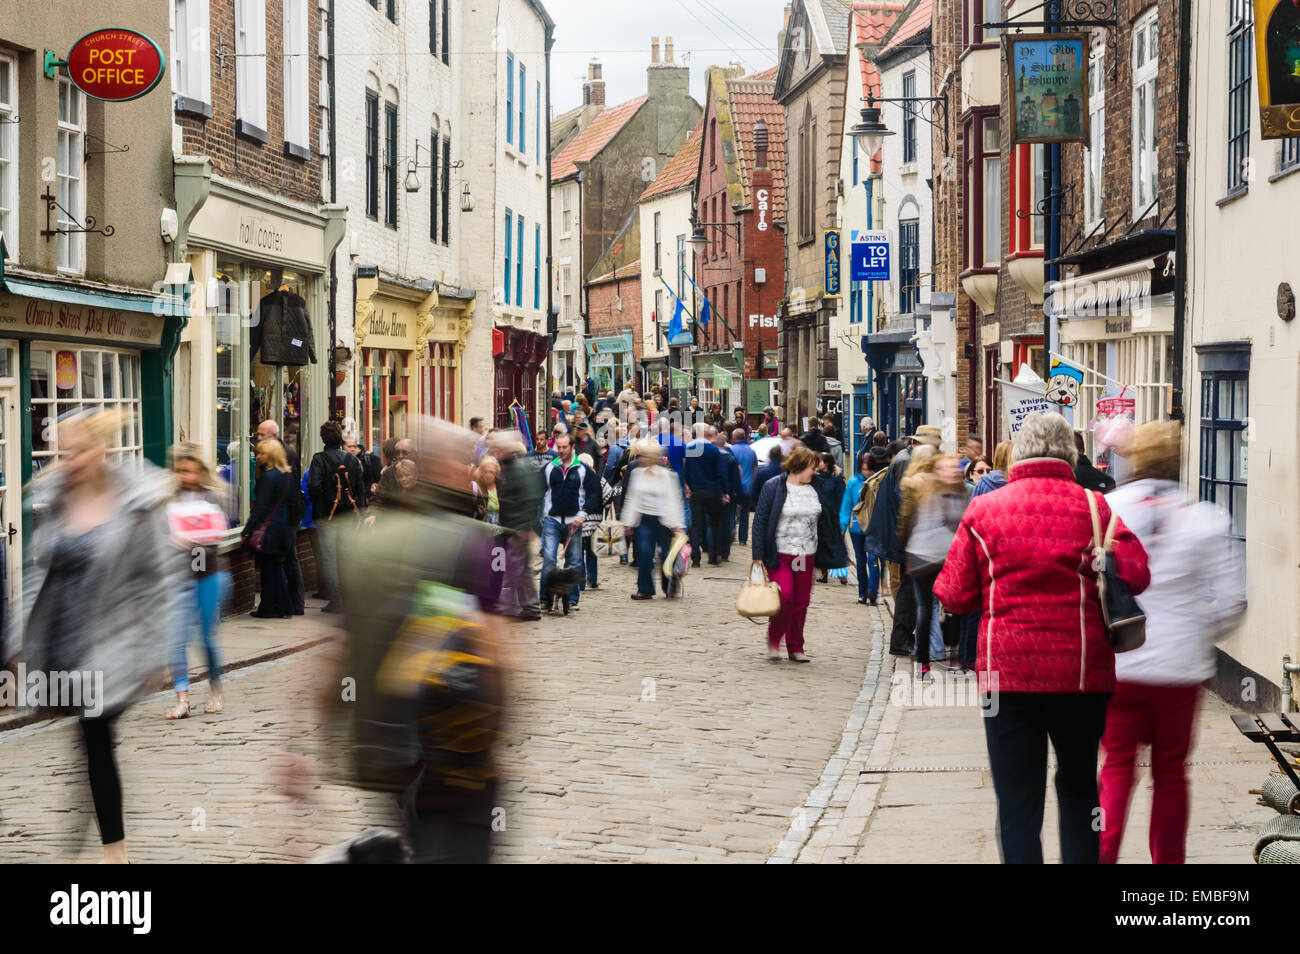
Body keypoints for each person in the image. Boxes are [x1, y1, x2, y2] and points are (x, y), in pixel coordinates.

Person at [934, 411, 1150, 864]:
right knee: (1078, 789)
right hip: (1081, 672)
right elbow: (1138, 573)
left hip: (1005, 673)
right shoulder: (1096, 508)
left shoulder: (983, 509)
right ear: (1070, 454)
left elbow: (954, 595)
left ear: (1018, 451)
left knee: (1017, 798)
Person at [336, 417, 506, 862]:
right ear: (451, 470)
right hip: (453, 747)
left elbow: (338, 652)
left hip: (384, 745)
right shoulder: (473, 544)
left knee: (411, 836)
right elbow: (496, 652)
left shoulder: (365, 544)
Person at [8, 410, 173, 864]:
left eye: (79, 450)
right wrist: (17, 639)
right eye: (65, 451)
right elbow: (39, 576)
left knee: (94, 737)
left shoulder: (136, 504)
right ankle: (92, 843)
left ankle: (112, 853)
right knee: (88, 743)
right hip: (62, 642)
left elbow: (156, 582)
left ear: (102, 449)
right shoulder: (58, 497)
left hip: (111, 645)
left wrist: (159, 652)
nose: (70, 459)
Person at [1098, 422, 1245, 864]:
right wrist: (1200, 634)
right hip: (1180, 669)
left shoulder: (1105, 509)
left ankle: (1101, 855)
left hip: (1121, 666)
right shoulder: (1206, 518)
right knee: (1172, 775)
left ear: (1133, 459)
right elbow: (1233, 599)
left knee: (1116, 770)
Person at [750, 447, 849, 663]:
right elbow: (760, 520)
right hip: (780, 553)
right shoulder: (774, 486)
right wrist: (757, 554)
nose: (815, 472)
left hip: (805, 554)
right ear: (800, 467)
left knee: (801, 601)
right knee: (785, 596)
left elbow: (827, 517)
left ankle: (796, 646)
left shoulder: (816, 487)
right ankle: (775, 639)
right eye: (812, 468)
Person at [165, 443, 231, 719]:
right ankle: (183, 699)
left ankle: (215, 690)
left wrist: (196, 542)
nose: (187, 477)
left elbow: (218, 536)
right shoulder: (168, 500)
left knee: (206, 639)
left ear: (201, 471)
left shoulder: (213, 497)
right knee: (176, 639)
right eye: (181, 471)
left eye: (192, 471)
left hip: (209, 575)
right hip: (178, 577)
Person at [864, 427, 940, 656]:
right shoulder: (908, 462)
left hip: (905, 536)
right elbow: (908, 502)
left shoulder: (907, 458)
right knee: (909, 590)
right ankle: (901, 639)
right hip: (907, 538)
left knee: (910, 588)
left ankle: (904, 636)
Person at [902, 454, 969, 682]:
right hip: (924, 558)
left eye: (955, 467)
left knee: (958, 607)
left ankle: (957, 661)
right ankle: (923, 664)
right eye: (946, 467)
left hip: (951, 559)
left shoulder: (963, 494)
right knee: (926, 610)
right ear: (937, 471)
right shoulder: (928, 494)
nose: (952, 470)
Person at [307, 420, 366, 613]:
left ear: (323, 438)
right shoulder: (351, 459)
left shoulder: (319, 459)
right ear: (340, 437)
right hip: (349, 515)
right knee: (348, 557)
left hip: (327, 516)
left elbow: (314, 487)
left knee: (329, 559)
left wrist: (323, 500)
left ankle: (336, 600)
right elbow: (359, 488)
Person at [539, 433, 599, 613]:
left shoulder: (582, 469)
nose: (561, 451)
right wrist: (542, 515)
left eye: (565, 447)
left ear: (572, 447)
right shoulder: (550, 468)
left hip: (574, 521)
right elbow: (541, 492)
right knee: (549, 559)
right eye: (559, 447)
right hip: (552, 520)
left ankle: (572, 599)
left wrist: (582, 514)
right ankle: (545, 598)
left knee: (574, 561)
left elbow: (593, 493)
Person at [620, 441, 687, 600]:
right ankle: (645, 589)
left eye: (645, 455)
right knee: (644, 553)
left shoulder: (668, 476)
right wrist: (628, 522)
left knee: (666, 555)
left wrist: (677, 525)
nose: (641, 458)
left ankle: (669, 584)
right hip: (644, 519)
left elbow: (674, 501)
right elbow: (632, 499)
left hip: (663, 521)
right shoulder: (637, 474)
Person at [494, 433, 546, 621]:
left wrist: (524, 526)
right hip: (515, 527)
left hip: (517, 528)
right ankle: (531, 607)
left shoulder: (518, 469)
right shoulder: (511, 468)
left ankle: (507, 608)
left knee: (512, 570)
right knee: (523, 571)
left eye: (498, 448)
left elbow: (531, 497)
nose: (496, 452)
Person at [256, 419, 305, 614]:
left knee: (283, 561)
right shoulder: (277, 452)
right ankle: (288, 604)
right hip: (285, 515)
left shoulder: (282, 454)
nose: (258, 438)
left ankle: (286, 604)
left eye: (262, 435)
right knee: (286, 560)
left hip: (285, 517)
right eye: (258, 434)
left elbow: (285, 489)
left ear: (274, 436)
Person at [244, 440, 295, 618]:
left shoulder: (268, 476)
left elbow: (261, 506)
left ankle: (279, 607)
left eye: (262, 453)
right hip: (283, 527)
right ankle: (277, 607)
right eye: (257, 453)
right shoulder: (287, 475)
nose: (258, 457)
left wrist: (247, 530)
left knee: (269, 571)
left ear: (271, 455)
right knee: (274, 569)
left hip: (269, 530)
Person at [842, 445, 890, 605]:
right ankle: (862, 593)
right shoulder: (853, 482)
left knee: (873, 561)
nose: (866, 472)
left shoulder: (878, 481)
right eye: (863, 469)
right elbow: (847, 505)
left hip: (873, 528)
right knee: (861, 562)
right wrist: (842, 526)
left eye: (868, 469)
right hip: (856, 528)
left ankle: (872, 592)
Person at [683, 423, 730, 568]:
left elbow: (687, 470)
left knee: (696, 525)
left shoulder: (690, 448)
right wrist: (725, 491)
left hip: (696, 491)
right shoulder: (713, 450)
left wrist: (688, 487)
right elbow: (720, 473)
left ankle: (695, 557)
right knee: (715, 523)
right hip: (712, 490)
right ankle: (713, 555)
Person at [577, 452, 615, 591]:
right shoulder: (599, 479)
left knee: (578, 553)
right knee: (592, 552)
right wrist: (602, 507)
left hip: (579, 521)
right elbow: (609, 496)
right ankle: (592, 580)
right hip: (595, 522)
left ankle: (580, 583)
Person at [815, 452, 846, 584]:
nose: (818, 464)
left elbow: (840, 500)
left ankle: (842, 573)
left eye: (820, 461)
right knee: (821, 545)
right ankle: (824, 574)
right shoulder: (816, 478)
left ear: (826, 463)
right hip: (820, 517)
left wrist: (840, 519)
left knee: (836, 546)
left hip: (832, 518)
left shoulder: (836, 479)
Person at [728, 428, 758, 546]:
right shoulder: (751, 451)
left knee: (731, 511)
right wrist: (752, 482)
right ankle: (743, 539)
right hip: (748, 487)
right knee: (745, 513)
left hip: (734, 487)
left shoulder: (731, 450)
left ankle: (731, 531)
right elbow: (755, 468)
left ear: (734, 438)